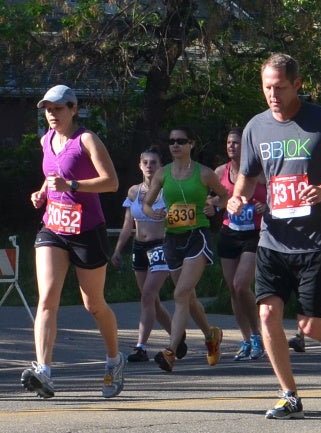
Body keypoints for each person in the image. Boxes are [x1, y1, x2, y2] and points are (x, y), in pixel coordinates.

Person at [228, 53, 321, 419]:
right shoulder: (256, 127)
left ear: (297, 84)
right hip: (273, 240)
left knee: (308, 323)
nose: (272, 94)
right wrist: (238, 195)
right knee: (268, 314)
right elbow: (248, 173)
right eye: (267, 87)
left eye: (280, 87)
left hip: (318, 243)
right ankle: (289, 393)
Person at [23, 84, 126, 399]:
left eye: (57, 108)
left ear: (73, 109)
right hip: (53, 227)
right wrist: (43, 192)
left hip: (87, 230)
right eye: (47, 109)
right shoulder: (46, 140)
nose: (51, 115)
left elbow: (111, 182)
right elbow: (53, 171)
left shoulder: (87, 140)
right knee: (47, 298)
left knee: (93, 304)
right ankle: (44, 371)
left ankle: (114, 360)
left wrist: (72, 184)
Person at [142, 126, 228, 372]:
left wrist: (216, 208)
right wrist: (154, 212)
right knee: (188, 297)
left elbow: (225, 195)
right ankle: (211, 335)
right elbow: (147, 204)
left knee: (181, 294)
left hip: (196, 236)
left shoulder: (204, 173)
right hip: (172, 239)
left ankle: (170, 351)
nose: (175, 145)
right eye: (172, 142)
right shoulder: (162, 174)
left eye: (181, 141)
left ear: (191, 144)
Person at [110, 148, 175, 363]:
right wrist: (118, 250)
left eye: (153, 162)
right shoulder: (133, 192)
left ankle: (141, 347)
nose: (149, 166)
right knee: (152, 301)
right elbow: (128, 224)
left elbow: (177, 219)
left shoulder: (168, 190)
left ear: (160, 166)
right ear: (140, 165)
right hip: (139, 247)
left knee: (147, 296)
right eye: (145, 162)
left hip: (160, 246)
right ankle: (178, 338)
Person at [212, 128, 268, 360]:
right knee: (233, 290)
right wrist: (213, 204)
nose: (231, 146)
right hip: (229, 231)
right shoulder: (219, 172)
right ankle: (246, 339)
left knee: (241, 284)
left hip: (253, 233)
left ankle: (257, 336)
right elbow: (216, 199)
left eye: (236, 143)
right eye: (228, 142)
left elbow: (275, 195)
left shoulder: (260, 170)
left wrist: (267, 207)